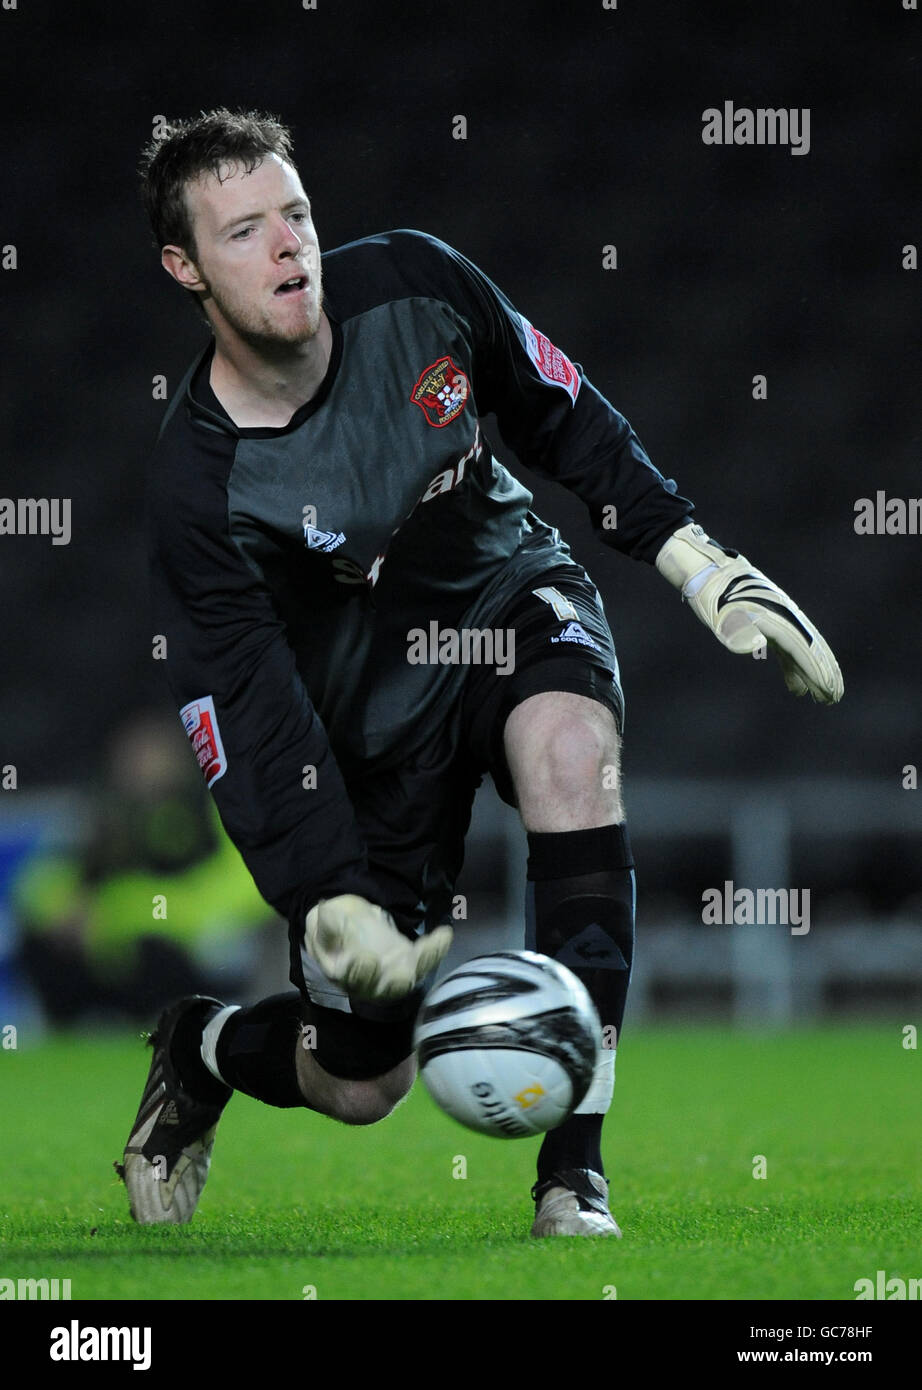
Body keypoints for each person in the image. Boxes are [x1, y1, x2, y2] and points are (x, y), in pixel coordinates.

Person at [119, 108, 843, 1235]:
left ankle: (573, 1173)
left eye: (296, 216)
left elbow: (564, 413)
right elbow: (245, 709)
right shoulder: (198, 491)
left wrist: (702, 567)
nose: (287, 248)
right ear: (185, 267)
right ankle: (202, 1047)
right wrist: (324, 899)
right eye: (244, 230)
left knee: (572, 757)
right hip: (370, 731)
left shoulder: (418, 285)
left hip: (510, 600)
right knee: (361, 1080)